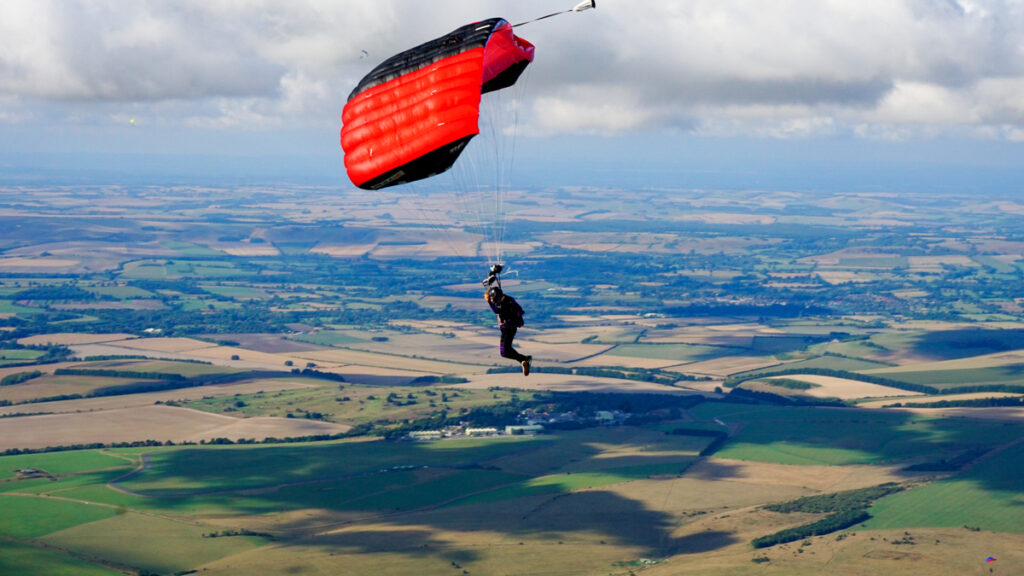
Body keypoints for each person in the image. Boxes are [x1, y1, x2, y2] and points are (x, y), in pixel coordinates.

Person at [485, 285, 532, 375]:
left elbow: (496, 310)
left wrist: (489, 301)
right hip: (511, 328)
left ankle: (524, 359)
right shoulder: (509, 300)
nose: (493, 301)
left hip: (507, 330)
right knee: (508, 349)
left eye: (493, 299)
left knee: (504, 352)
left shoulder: (504, 305)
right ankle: (523, 360)